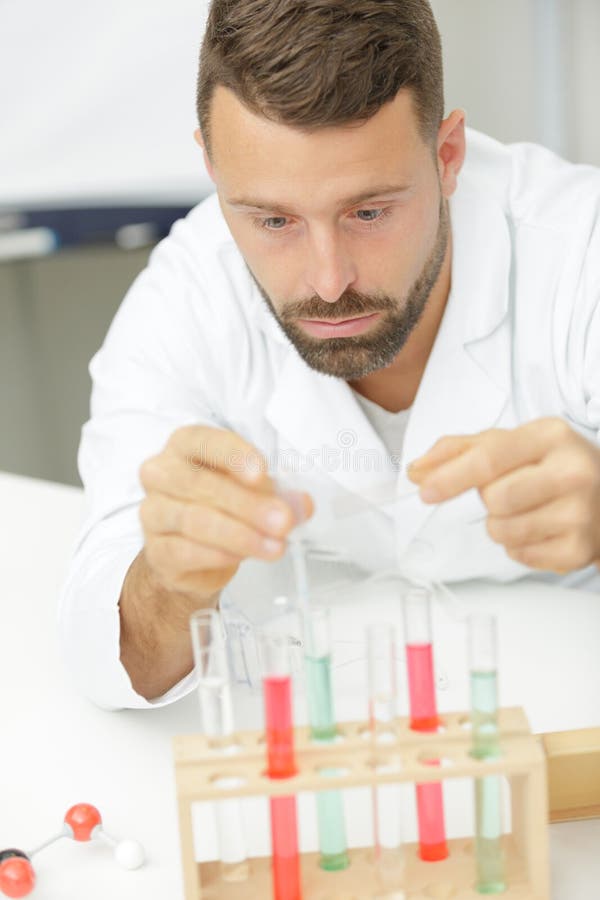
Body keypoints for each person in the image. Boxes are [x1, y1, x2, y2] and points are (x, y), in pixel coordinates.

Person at [59, 0, 600, 711]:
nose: (328, 280)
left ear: (447, 157)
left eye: (369, 212)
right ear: (213, 170)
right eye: (274, 220)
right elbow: (108, 656)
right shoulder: (187, 298)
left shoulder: (579, 252)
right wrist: (169, 580)